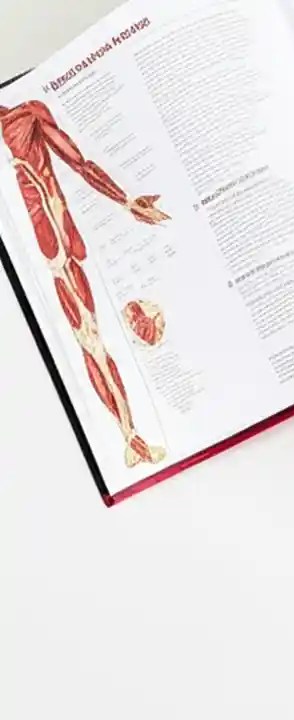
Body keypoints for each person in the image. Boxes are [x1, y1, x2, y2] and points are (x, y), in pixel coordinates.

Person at [1, 100, 169, 467]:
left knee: (91, 341)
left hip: (56, 247)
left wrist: (126, 201)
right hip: (28, 266)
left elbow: (80, 164)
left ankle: (130, 435)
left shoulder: (26, 115)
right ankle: (128, 435)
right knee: (85, 344)